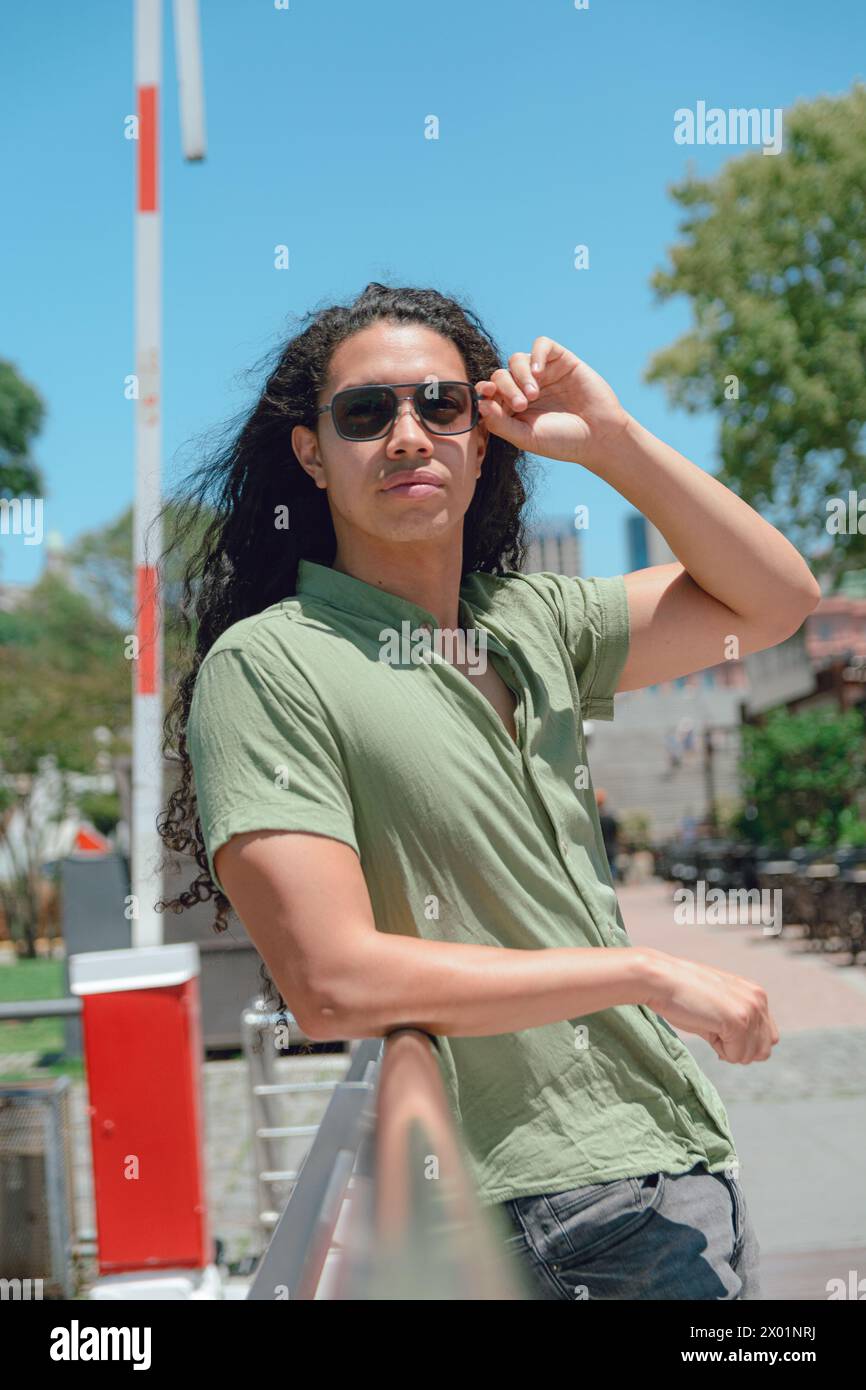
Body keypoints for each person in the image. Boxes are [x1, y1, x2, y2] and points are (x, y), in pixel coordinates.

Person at [156, 282, 819, 1299]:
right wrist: (639, 971)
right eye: (365, 413)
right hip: (531, 1208)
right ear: (311, 453)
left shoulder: (530, 621)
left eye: (441, 404)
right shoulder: (271, 664)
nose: (408, 434)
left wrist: (609, 441)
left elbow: (774, 601)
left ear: (481, 433)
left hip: (671, 1163)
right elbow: (331, 977)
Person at [595, 788, 621, 882]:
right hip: (611, 846)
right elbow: (617, 833)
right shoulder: (611, 817)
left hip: (600, 847)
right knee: (611, 869)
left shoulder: (595, 818)